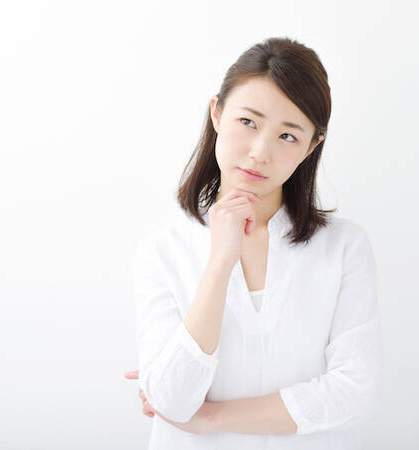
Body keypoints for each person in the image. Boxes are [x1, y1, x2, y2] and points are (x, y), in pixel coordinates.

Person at [123, 36, 383, 449]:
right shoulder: (163, 251)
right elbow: (171, 400)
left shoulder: (344, 247)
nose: (260, 152)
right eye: (248, 122)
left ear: (312, 145)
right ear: (217, 112)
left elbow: (355, 392)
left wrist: (212, 418)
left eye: (288, 136)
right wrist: (219, 264)